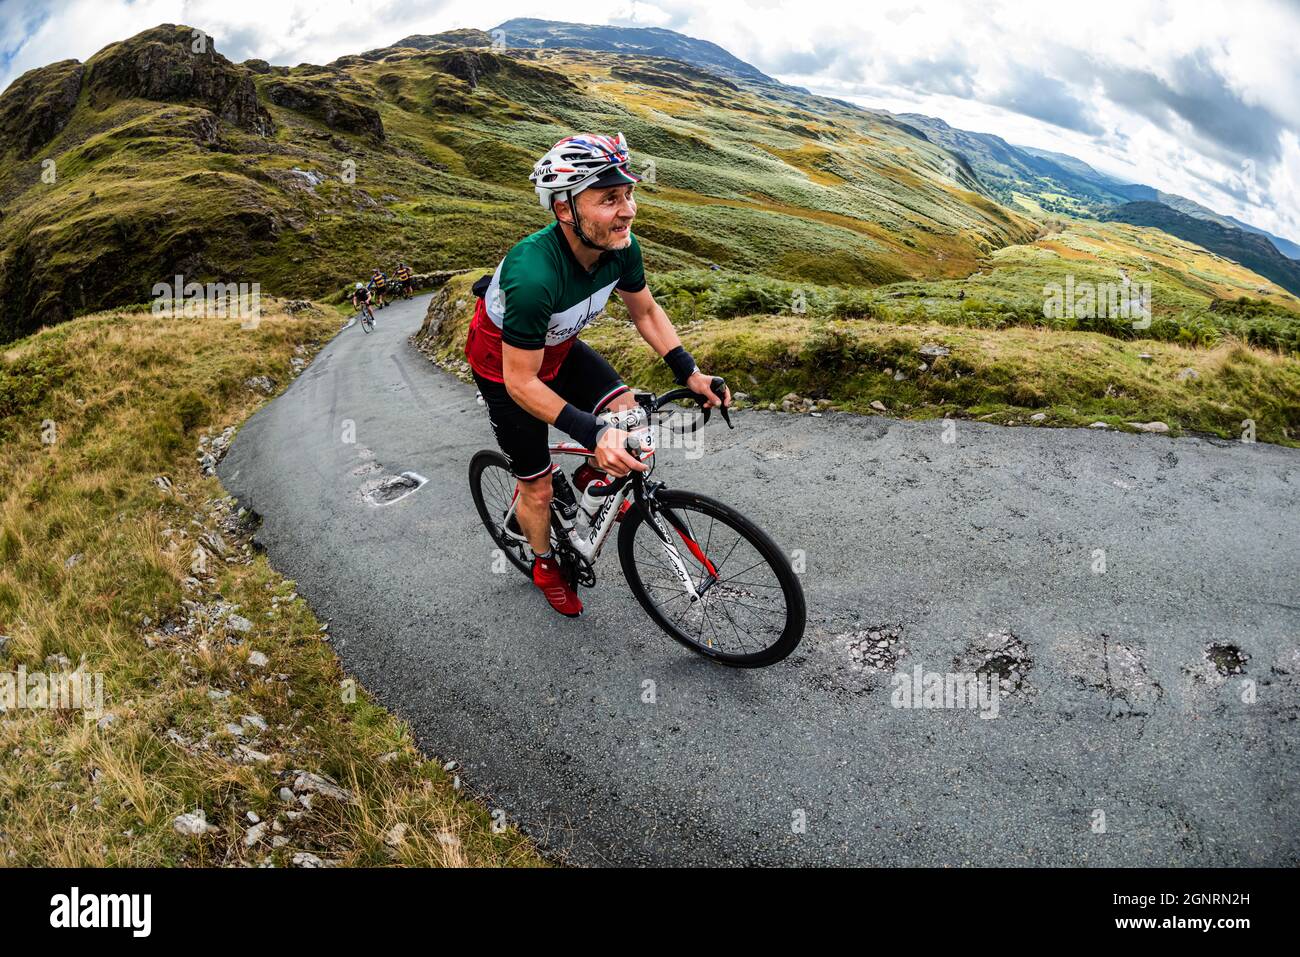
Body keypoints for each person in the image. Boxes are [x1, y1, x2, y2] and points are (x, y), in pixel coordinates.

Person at [465, 131, 730, 618]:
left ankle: (590, 475)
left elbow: (646, 312)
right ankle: (545, 565)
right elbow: (522, 382)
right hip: (506, 371)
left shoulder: (621, 247)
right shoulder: (533, 276)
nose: (627, 210)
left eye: (628, 194)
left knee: (629, 419)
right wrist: (591, 430)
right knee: (538, 487)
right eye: (609, 199)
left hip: (560, 351)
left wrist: (690, 372)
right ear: (566, 210)